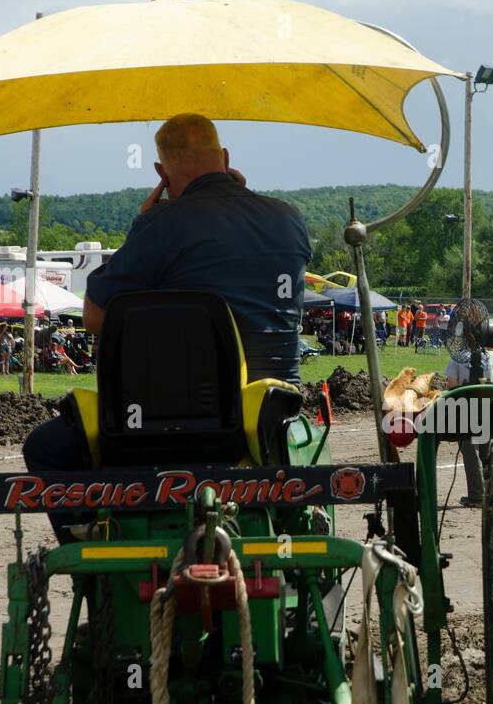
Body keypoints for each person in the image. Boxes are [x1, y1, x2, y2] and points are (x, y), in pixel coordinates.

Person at [23, 113, 311, 537]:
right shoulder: (289, 219)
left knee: (43, 447)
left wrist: (144, 224)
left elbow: (95, 317)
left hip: (159, 426)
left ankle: (91, 544)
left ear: (160, 172)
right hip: (269, 416)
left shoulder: (160, 225)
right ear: (227, 158)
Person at [443, 347, 493, 508]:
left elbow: (451, 385)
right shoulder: (489, 356)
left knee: (470, 451)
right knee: (485, 451)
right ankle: (492, 492)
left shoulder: (457, 359)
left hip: (465, 408)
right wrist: (488, 346)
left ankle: (477, 496)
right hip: (485, 406)